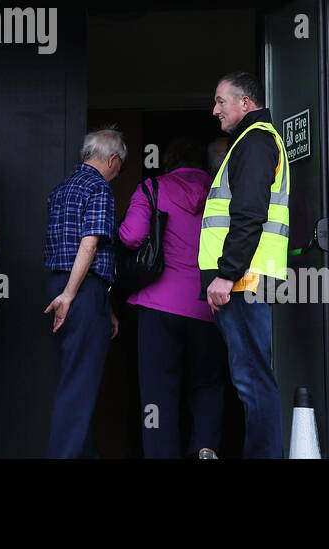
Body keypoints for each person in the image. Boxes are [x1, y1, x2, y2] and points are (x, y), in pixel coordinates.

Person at [201, 72, 292, 459]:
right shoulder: (252, 142)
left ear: (246, 103)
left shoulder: (254, 143)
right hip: (246, 279)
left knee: (253, 381)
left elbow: (248, 214)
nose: (215, 109)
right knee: (252, 379)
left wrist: (226, 274)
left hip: (243, 280)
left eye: (222, 101)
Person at [118, 136, 224, 458]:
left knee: (158, 392)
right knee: (208, 385)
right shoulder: (221, 192)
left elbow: (133, 236)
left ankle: (161, 452)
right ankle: (205, 447)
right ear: (204, 165)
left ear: (168, 163)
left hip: (158, 307)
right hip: (209, 306)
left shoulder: (152, 188)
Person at [42, 127, 124, 459]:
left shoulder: (60, 189)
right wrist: (75, 294)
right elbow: (90, 243)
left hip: (61, 285)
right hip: (79, 291)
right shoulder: (99, 187)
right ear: (113, 159)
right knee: (78, 386)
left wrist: (103, 305)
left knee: (74, 378)